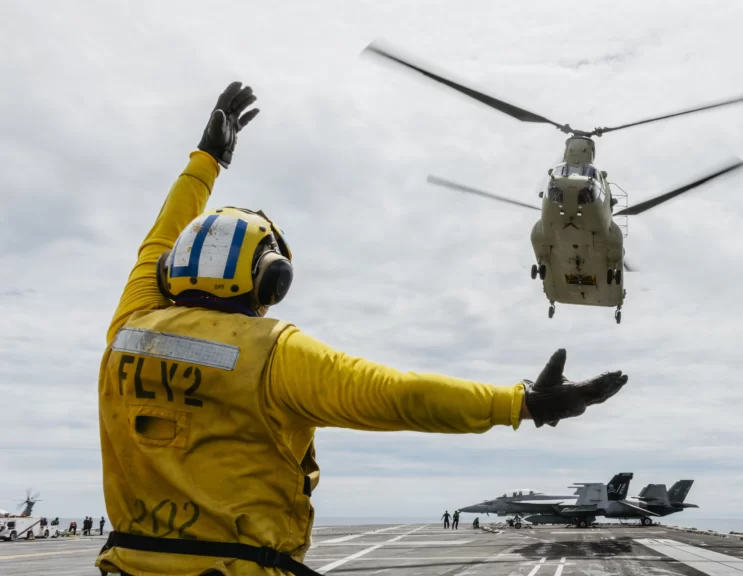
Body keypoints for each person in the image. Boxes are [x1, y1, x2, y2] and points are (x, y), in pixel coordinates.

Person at [94, 82, 627, 576]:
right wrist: (523, 403)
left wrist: (204, 161)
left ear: (174, 270)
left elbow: (156, 240)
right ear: (269, 280)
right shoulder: (272, 355)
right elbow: (403, 397)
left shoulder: (130, 325)